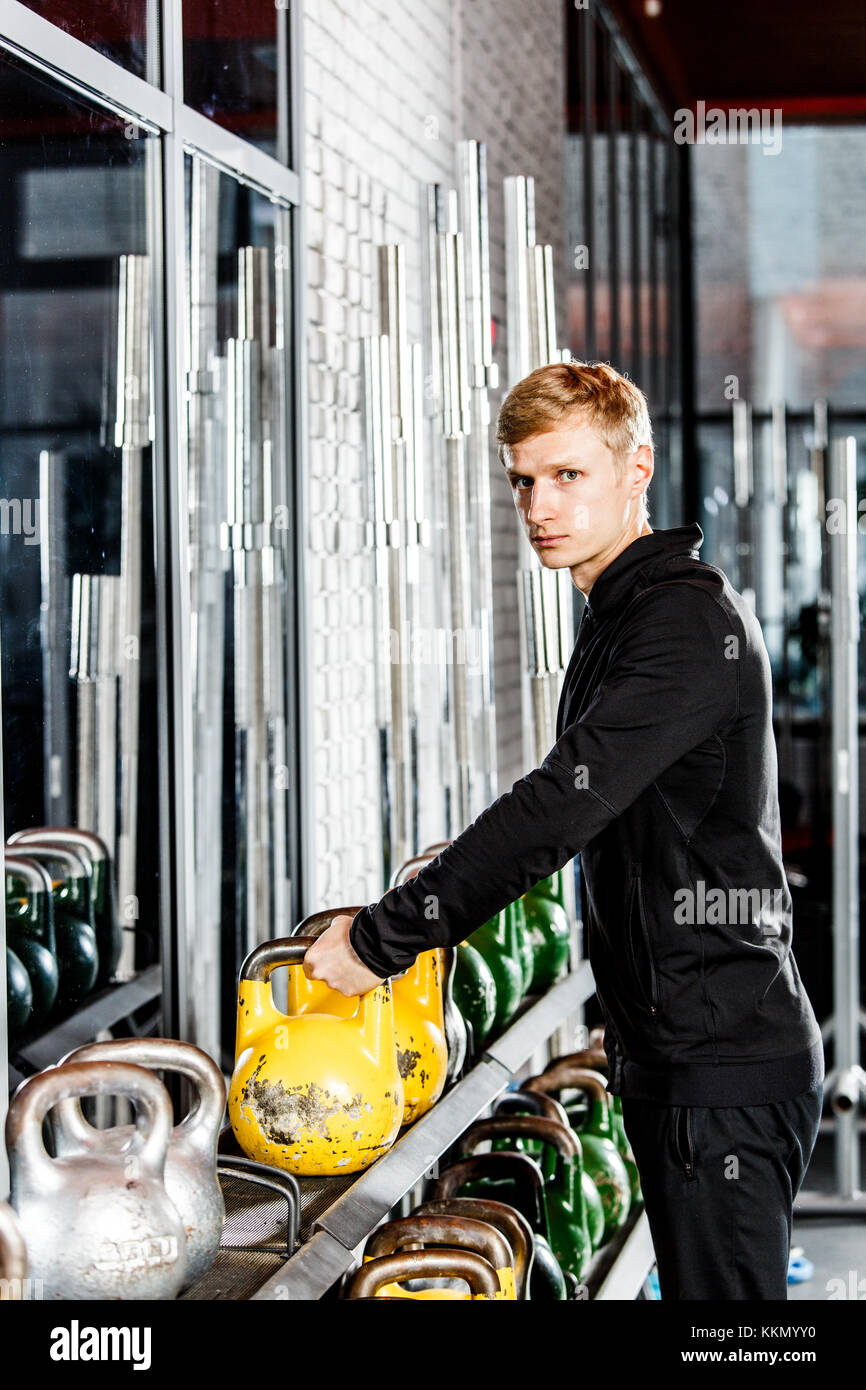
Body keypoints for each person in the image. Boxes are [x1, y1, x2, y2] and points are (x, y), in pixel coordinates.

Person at [305, 360, 824, 1301]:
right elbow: (599, 806)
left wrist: (382, 941)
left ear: (638, 471)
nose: (541, 504)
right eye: (524, 481)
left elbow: (557, 806)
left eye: (569, 475)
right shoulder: (623, 612)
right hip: (685, 1052)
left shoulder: (677, 625)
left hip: (723, 1068)